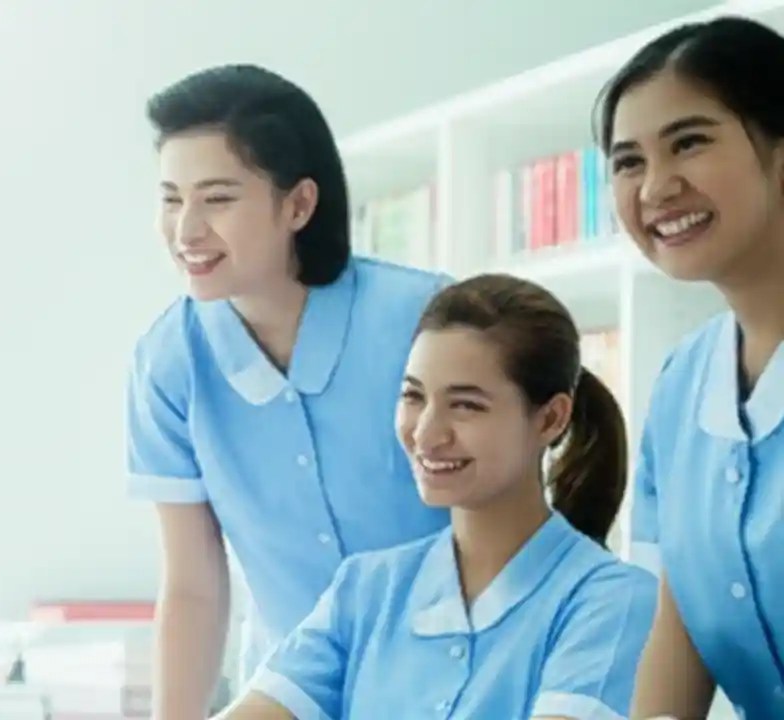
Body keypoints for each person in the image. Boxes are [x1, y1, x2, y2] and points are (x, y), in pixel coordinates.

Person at [127, 63, 452, 717]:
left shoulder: (425, 321)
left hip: (459, 681)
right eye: (170, 198)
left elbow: (504, 522)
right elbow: (193, 585)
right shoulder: (169, 361)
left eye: (216, 198)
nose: (185, 230)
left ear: (299, 204)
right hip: (291, 697)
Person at [214, 273, 657, 719]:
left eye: (465, 405)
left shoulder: (611, 603)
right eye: (413, 396)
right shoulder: (367, 590)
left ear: (550, 419)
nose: (426, 433)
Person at [597, 15, 784, 720]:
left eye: (690, 142)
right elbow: (672, 630)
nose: (655, 187)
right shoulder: (683, 383)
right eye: (627, 161)